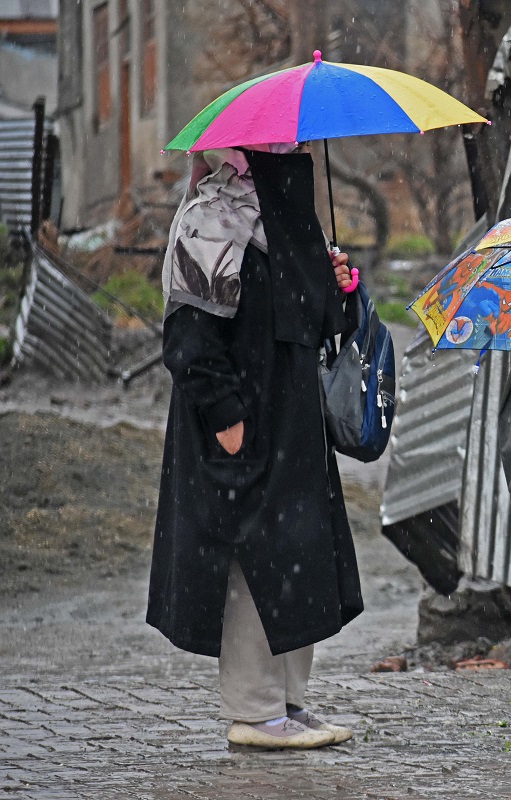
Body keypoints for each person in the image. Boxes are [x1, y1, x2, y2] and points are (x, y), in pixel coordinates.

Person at [148, 144, 363, 749]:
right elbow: (188, 335)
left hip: (293, 424)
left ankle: (290, 704)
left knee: (297, 553)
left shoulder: (287, 224)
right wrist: (225, 416)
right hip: (238, 426)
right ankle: (255, 711)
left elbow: (313, 326)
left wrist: (336, 285)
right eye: (278, 151)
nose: (291, 159)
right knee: (248, 558)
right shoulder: (210, 221)